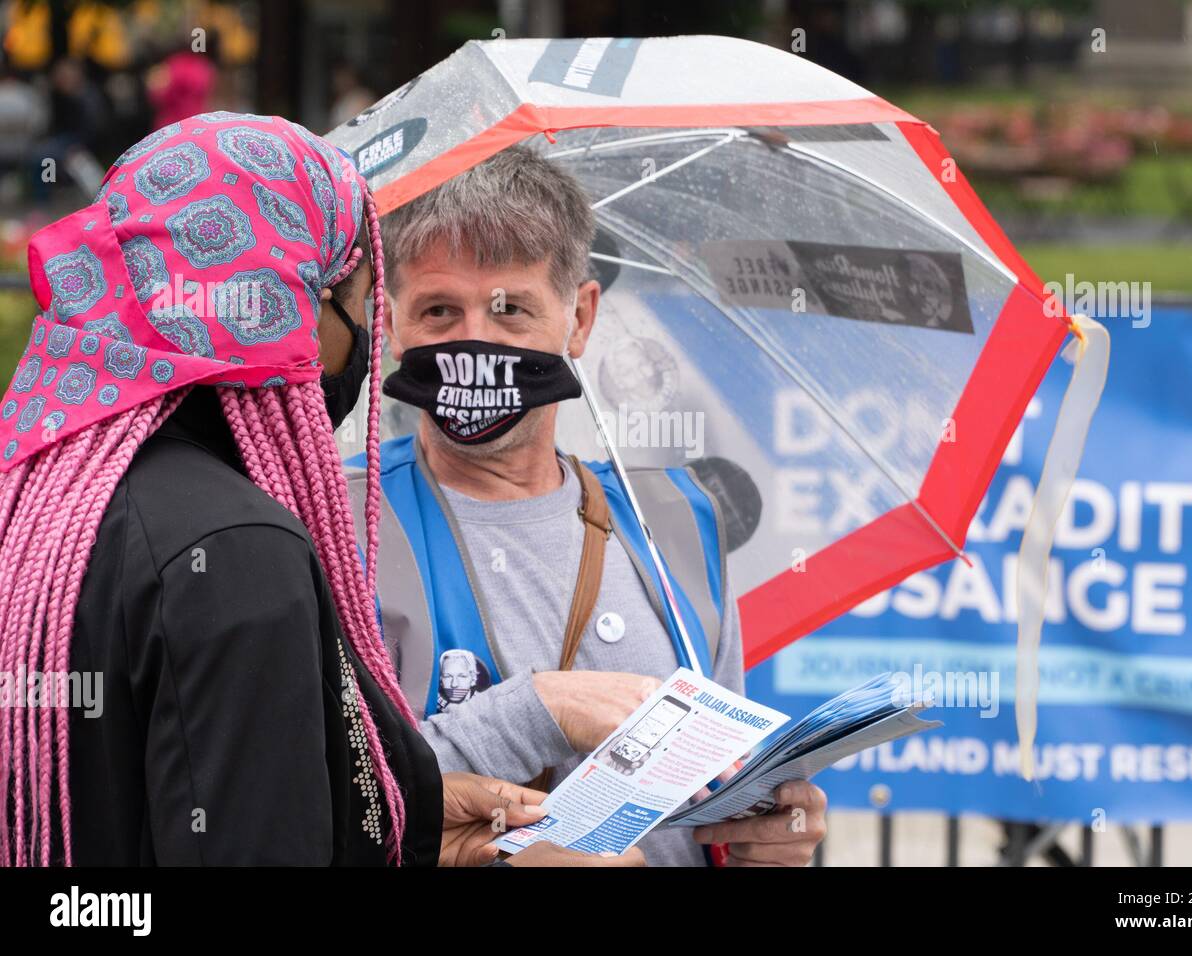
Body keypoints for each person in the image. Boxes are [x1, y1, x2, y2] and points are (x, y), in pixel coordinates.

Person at [0, 114, 640, 868]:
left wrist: (423, 821)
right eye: (360, 300)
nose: (359, 342)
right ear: (288, 304)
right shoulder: (239, 552)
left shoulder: (48, 509)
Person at [349, 145, 828, 866]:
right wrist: (541, 711)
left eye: (510, 308)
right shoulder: (333, 523)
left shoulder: (675, 520)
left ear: (580, 317)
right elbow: (323, 791)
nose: (474, 340)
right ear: (390, 326)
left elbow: (720, 795)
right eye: (440, 310)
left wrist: (767, 844)